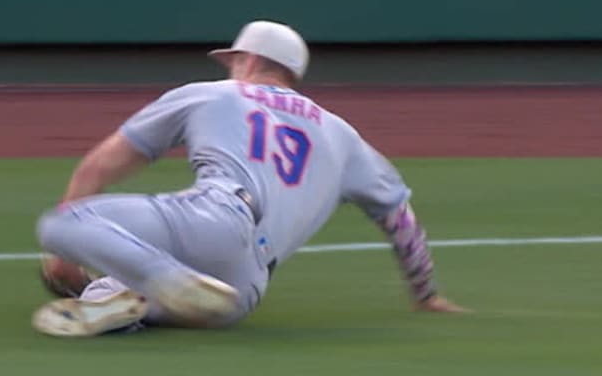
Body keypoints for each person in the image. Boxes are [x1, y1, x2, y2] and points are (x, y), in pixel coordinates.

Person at [32, 20, 467, 337]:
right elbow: (399, 219)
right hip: (243, 288)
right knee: (116, 291)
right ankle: (130, 304)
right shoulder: (342, 134)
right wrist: (424, 293)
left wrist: (66, 252)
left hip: (215, 214)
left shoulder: (212, 93)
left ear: (251, 59)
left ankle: (162, 278)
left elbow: (101, 165)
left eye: (234, 59)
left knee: (62, 223)